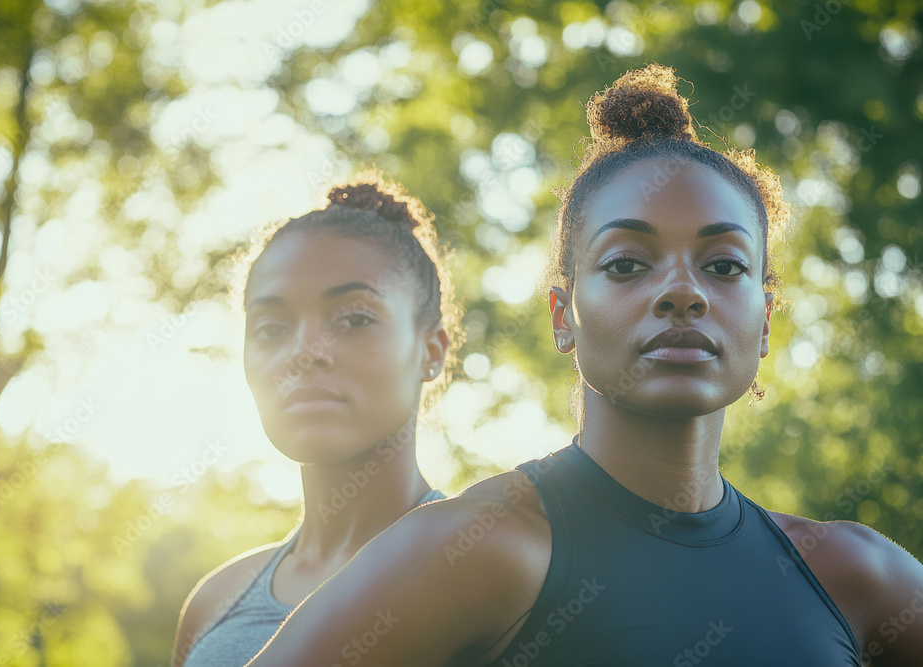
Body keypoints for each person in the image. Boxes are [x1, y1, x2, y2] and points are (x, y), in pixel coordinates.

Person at [242, 64, 923, 666]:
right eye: (627, 263)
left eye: (724, 265)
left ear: (766, 319)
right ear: (563, 315)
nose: (681, 290)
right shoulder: (471, 549)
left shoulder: (857, 575)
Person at [171, 171, 463, 666]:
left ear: (430, 351)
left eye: (354, 318)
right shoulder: (214, 602)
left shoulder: (486, 572)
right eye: (271, 327)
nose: (304, 352)